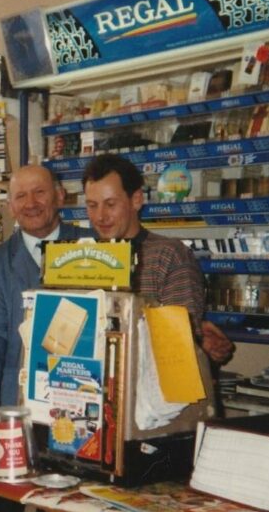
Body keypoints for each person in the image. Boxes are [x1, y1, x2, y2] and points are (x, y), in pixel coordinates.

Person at [0, 165, 92, 415]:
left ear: (60, 196)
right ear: (11, 207)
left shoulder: (93, 246)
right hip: (18, 401)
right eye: (20, 196)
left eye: (39, 192)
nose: (31, 203)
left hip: (84, 393)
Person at [81, 153, 234, 363]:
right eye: (92, 205)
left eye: (110, 204)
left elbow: (178, 342)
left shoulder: (169, 255)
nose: (100, 216)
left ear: (136, 200)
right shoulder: (80, 259)